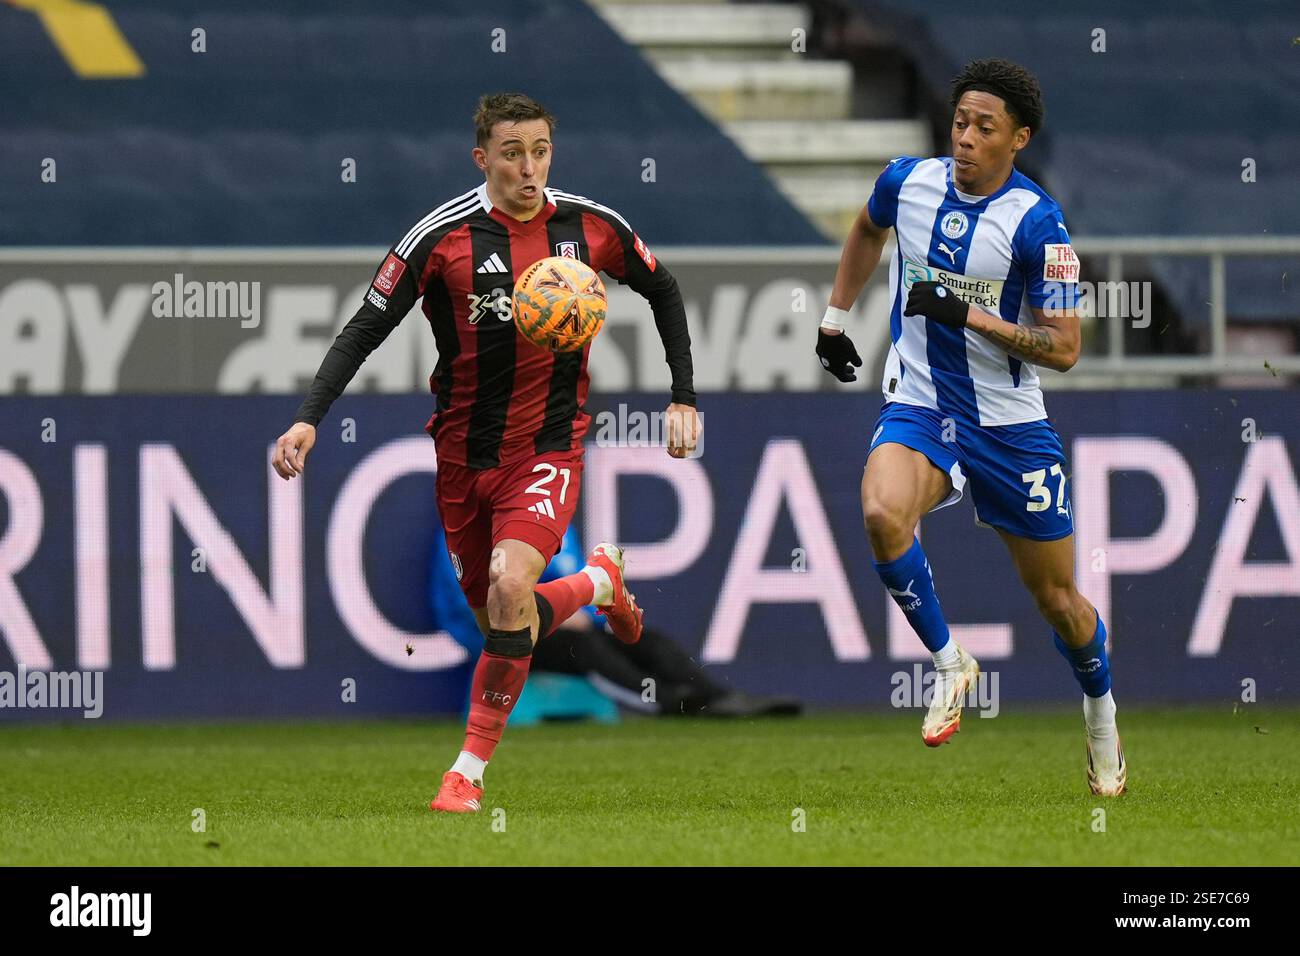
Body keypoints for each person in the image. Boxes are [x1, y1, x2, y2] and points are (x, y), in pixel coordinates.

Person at [271, 92, 702, 813]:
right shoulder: (441, 238)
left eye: (540, 151)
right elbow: (364, 327)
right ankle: (597, 585)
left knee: (509, 584)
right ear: (483, 159)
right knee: (506, 621)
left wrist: (682, 395)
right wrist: (310, 418)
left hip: (548, 447)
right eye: (512, 153)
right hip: (462, 455)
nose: (528, 168)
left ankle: (464, 774)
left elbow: (662, 286)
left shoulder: (590, 228)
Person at [815, 59, 1125, 796]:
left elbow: (1066, 348)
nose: (965, 139)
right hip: (921, 404)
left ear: (1018, 138)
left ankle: (1100, 707)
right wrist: (835, 314)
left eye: (985, 129)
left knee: (1059, 603)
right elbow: (867, 226)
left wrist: (970, 314)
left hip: (1009, 427)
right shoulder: (907, 181)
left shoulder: (1040, 225)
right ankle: (951, 661)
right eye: (959, 122)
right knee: (880, 512)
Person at [431, 523, 803, 718]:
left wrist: (584, 611)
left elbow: (579, 579)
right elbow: (472, 604)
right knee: (586, 647)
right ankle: (669, 703)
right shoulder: (466, 532)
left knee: (642, 638)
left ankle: (717, 698)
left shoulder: (548, 524)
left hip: (562, 620)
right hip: (500, 635)